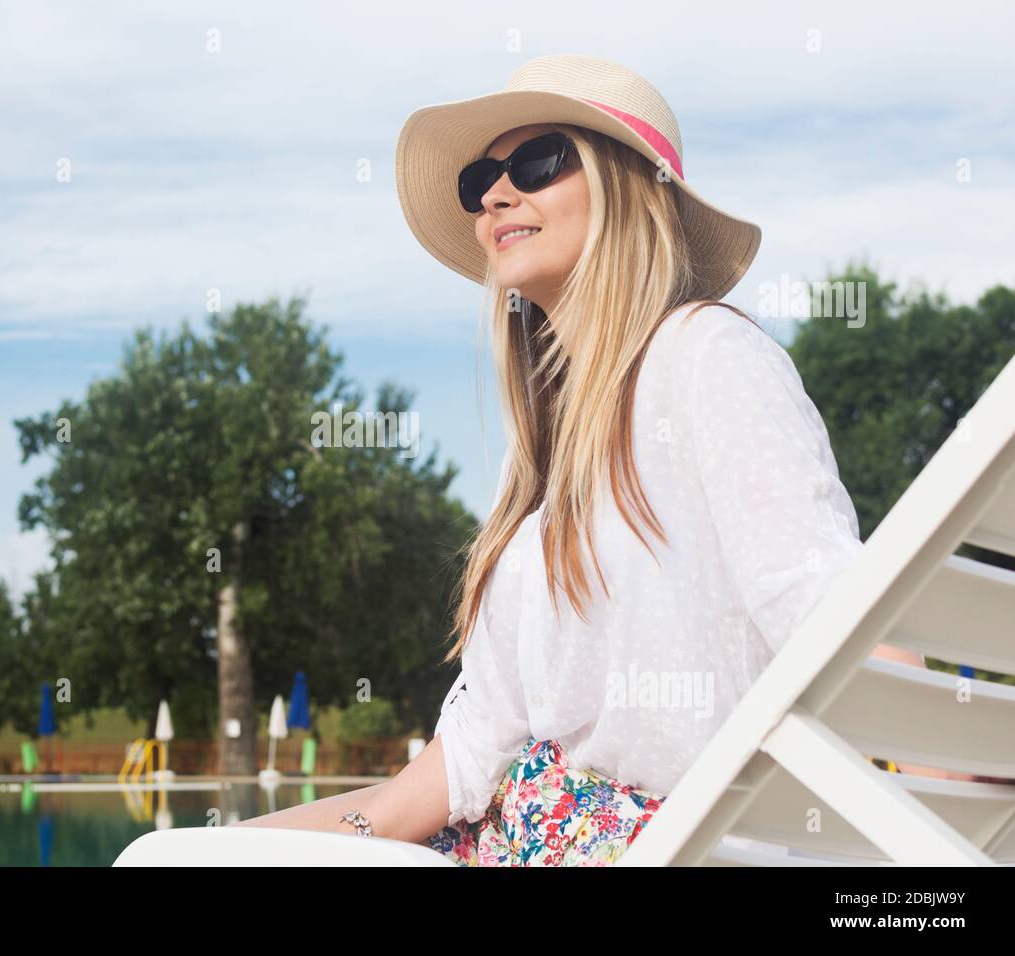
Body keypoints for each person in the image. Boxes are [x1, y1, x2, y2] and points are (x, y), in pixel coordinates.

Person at [234, 53, 937, 865]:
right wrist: (255, 845)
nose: (498, 194)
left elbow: (825, 602)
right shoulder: (538, 457)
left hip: (664, 844)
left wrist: (942, 810)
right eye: (480, 181)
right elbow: (470, 754)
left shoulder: (706, 356)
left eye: (537, 163)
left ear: (625, 184)